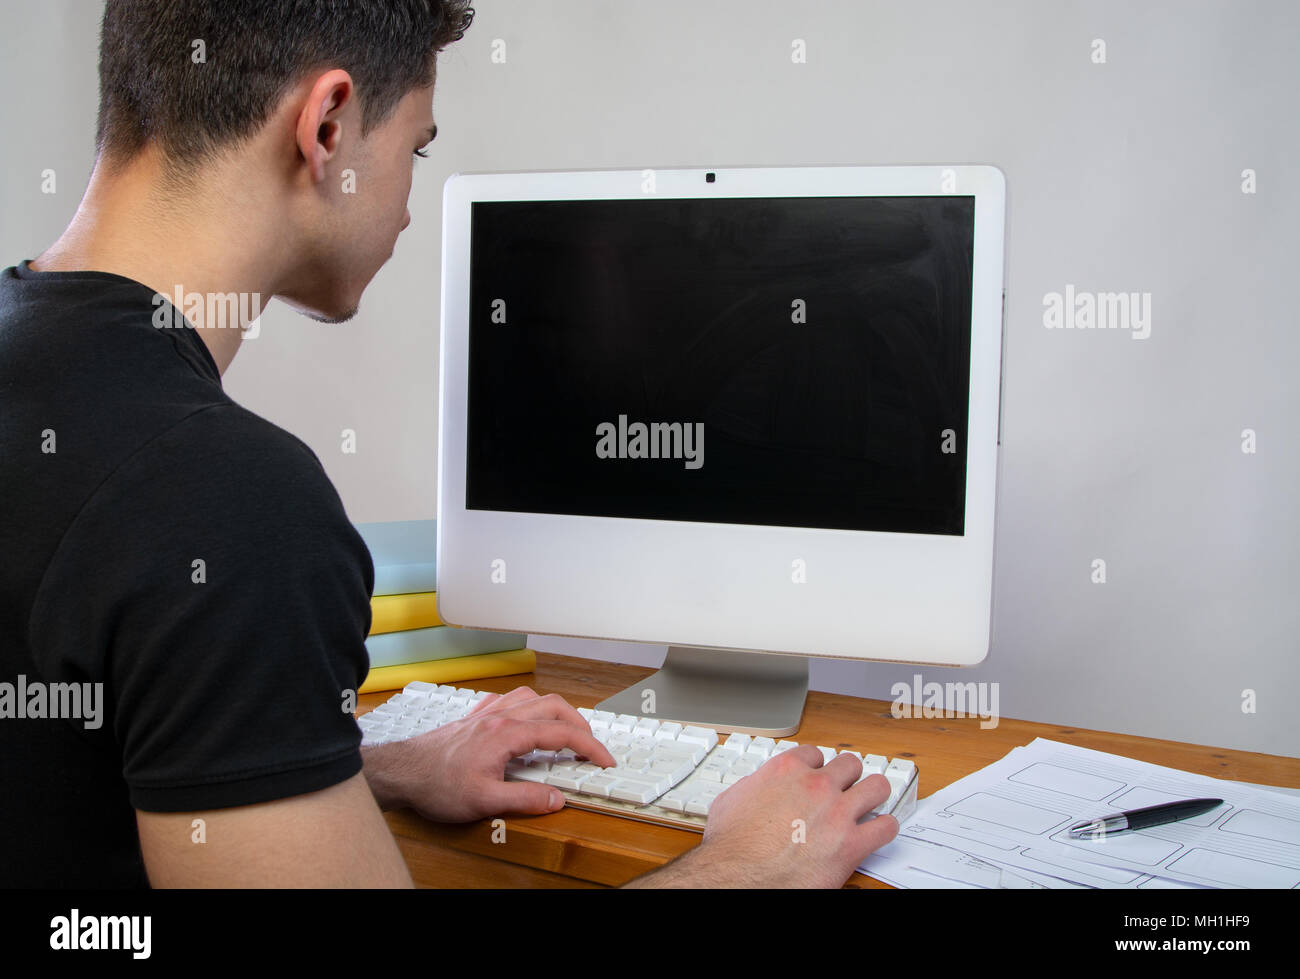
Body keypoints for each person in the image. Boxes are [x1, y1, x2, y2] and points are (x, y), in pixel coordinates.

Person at [0, 0, 898, 888]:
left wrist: (365, 768)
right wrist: (747, 866)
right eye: (417, 147)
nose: (405, 203)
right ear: (328, 122)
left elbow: (70, 784)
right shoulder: (226, 499)